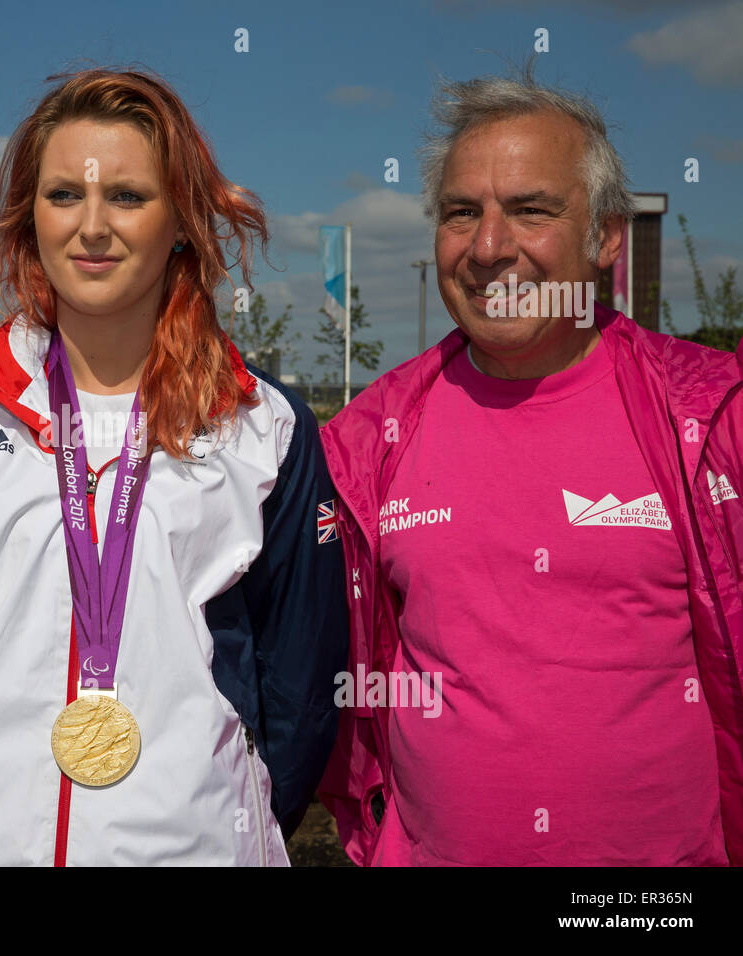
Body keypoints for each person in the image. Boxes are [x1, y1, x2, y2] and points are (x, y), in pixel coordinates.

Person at [0, 69, 347, 866]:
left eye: (128, 197)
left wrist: (213, 813)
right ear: (28, 217)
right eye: (64, 195)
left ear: (181, 220)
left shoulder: (262, 425)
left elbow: (302, 686)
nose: (92, 227)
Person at [317, 67, 743, 866]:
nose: (487, 248)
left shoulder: (713, 420)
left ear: (607, 237)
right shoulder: (366, 439)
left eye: (530, 210)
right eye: (461, 213)